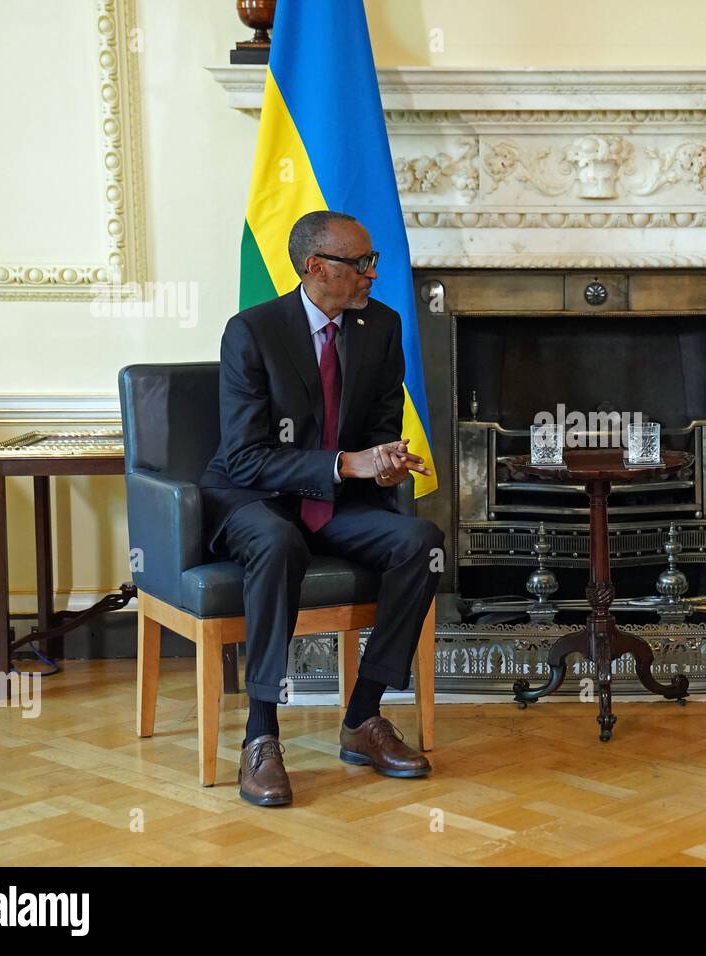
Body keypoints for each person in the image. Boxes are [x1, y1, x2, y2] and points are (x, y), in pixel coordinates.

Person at [199, 209, 443, 807]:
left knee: (422, 542)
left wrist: (382, 460)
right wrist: (343, 463)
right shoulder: (252, 332)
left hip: (336, 501)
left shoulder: (379, 327)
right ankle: (260, 736)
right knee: (279, 543)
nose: (371, 275)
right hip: (255, 497)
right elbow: (247, 457)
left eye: (372, 261)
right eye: (359, 264)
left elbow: (381, 424)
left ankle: (362, 717)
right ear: (315, 267)